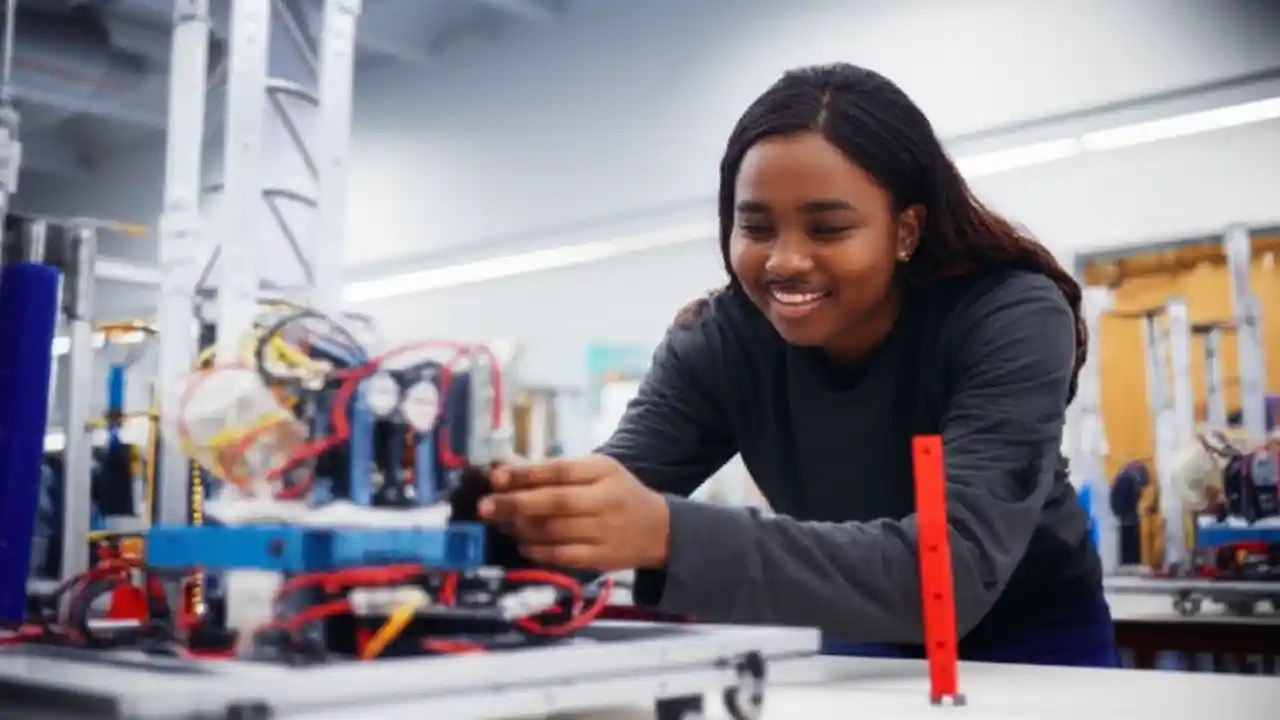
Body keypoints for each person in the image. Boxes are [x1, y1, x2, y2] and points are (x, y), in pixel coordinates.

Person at [477, 62, 1118, 666]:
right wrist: (483, 515)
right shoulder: (723, 343)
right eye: (756, 228)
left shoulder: (1007, 318)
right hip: (859, 624)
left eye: (828, 229)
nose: (784, 260)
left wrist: (670, 533)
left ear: (906, 231)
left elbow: (954, 571)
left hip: (1031, 636)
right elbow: (602, 495)